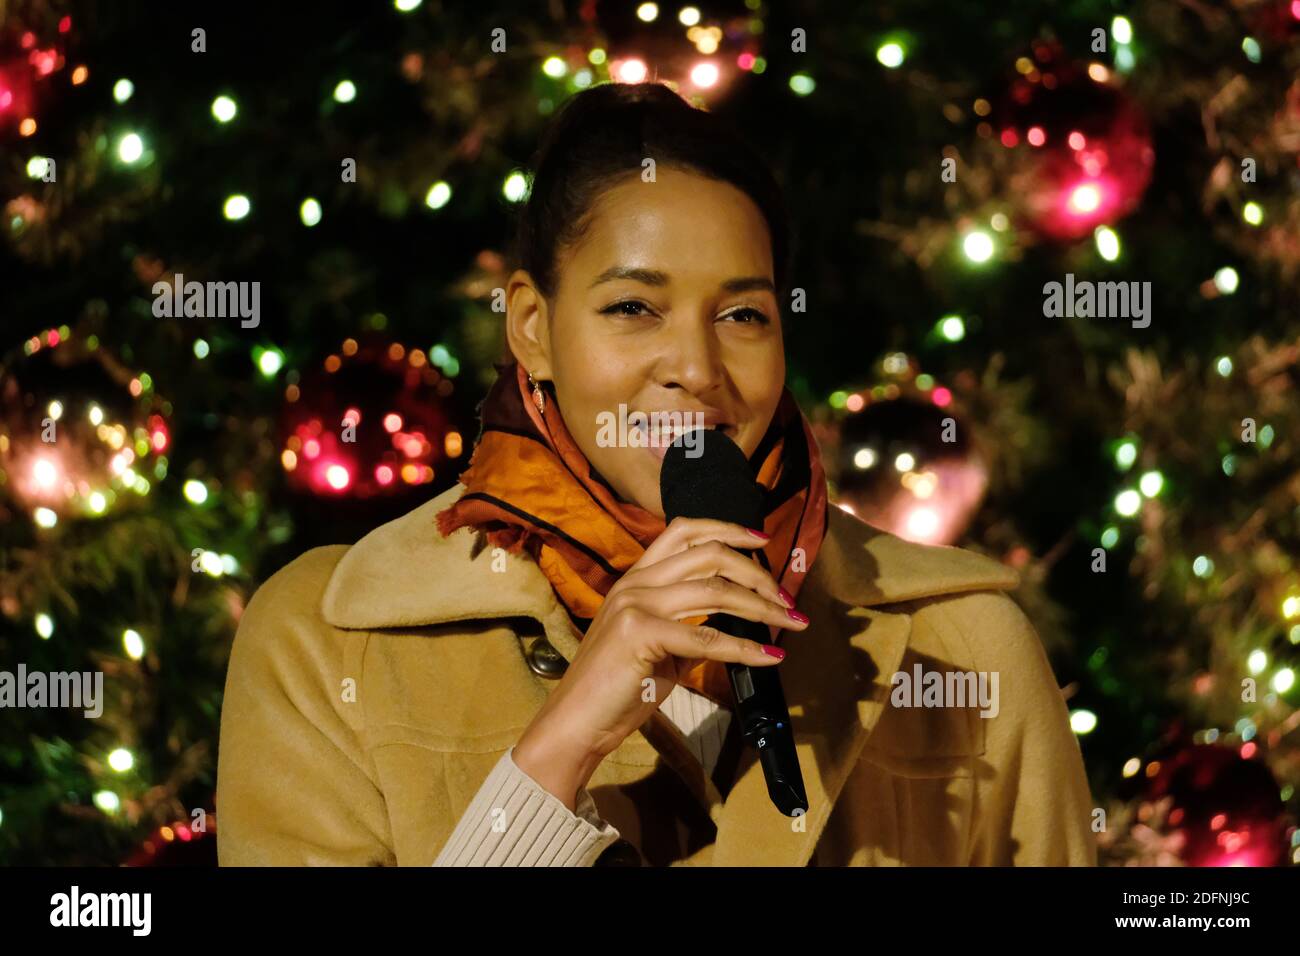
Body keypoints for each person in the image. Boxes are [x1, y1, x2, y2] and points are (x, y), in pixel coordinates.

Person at [216, 81, 1096, 866]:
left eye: (743, 313)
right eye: (633, 307)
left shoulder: (964, 646)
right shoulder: (327, 644)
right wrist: (556, 754)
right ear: (531, 326)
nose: (698, 367)